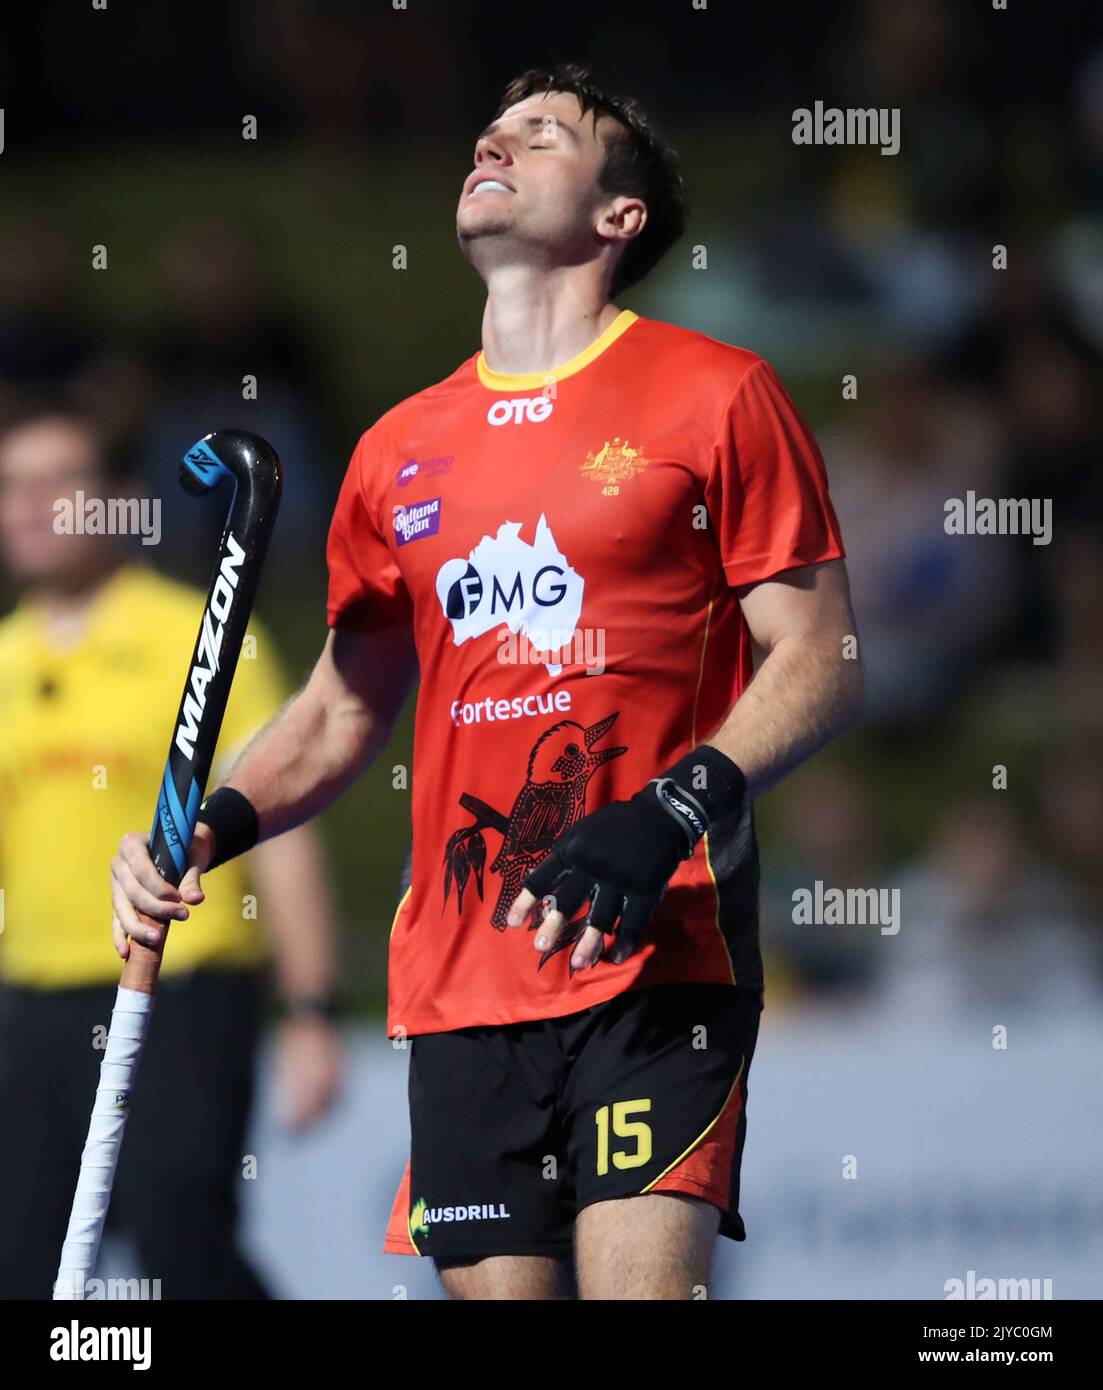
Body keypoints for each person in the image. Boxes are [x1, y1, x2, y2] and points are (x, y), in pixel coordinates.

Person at [111, 64, 863, 1301]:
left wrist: (673, 805)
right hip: (464, 975)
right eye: (490, 129)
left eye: (542, 134)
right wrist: (207, 828)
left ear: (618, 218)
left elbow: (823, 655)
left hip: (656, 946)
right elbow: (344, 711)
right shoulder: (396, 450)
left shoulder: (717, 392)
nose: (492, 143)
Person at [0, 407, 342, 1299]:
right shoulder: (2, 657)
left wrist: (310, 1010)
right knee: (26, 1260)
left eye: (54, 485)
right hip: (31, 1001)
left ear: (117, 502)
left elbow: (279, 825)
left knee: (182, 1242)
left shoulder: (191, 636)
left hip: (177, 991)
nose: (27, 507)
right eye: (9, 487)